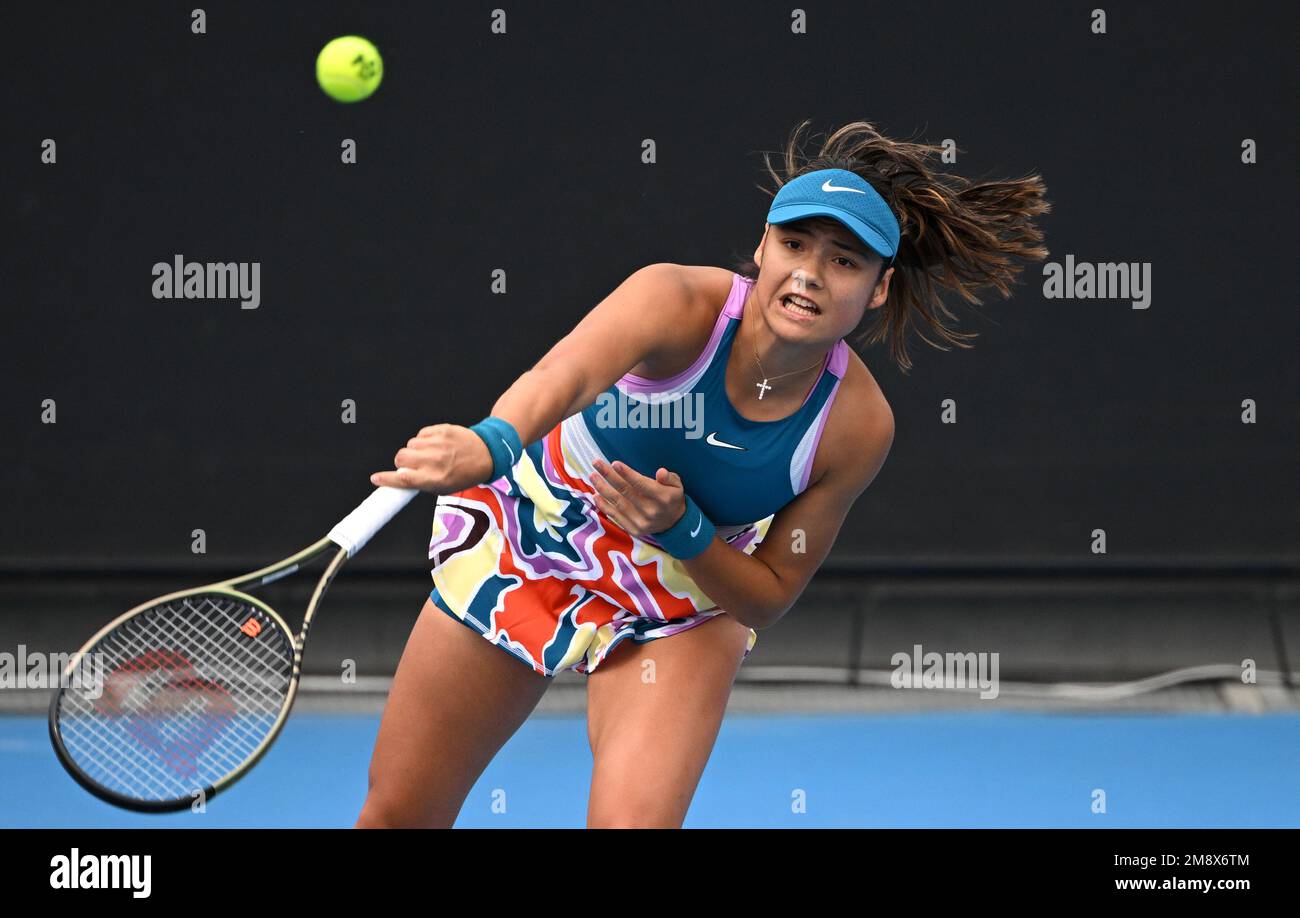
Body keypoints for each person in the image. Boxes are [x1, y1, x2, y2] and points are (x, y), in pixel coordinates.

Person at [355, 120, 1050, 828]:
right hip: (537, 531)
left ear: (879, 289)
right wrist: (493, 444)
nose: (809, 271)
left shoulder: (856, 426)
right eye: (794, 243)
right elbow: (562, 377)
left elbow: (773, 592)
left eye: (845, 261)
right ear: (762, 246)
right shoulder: (675, 300)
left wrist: (682, 529)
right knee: (399, 815)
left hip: (685, 591)